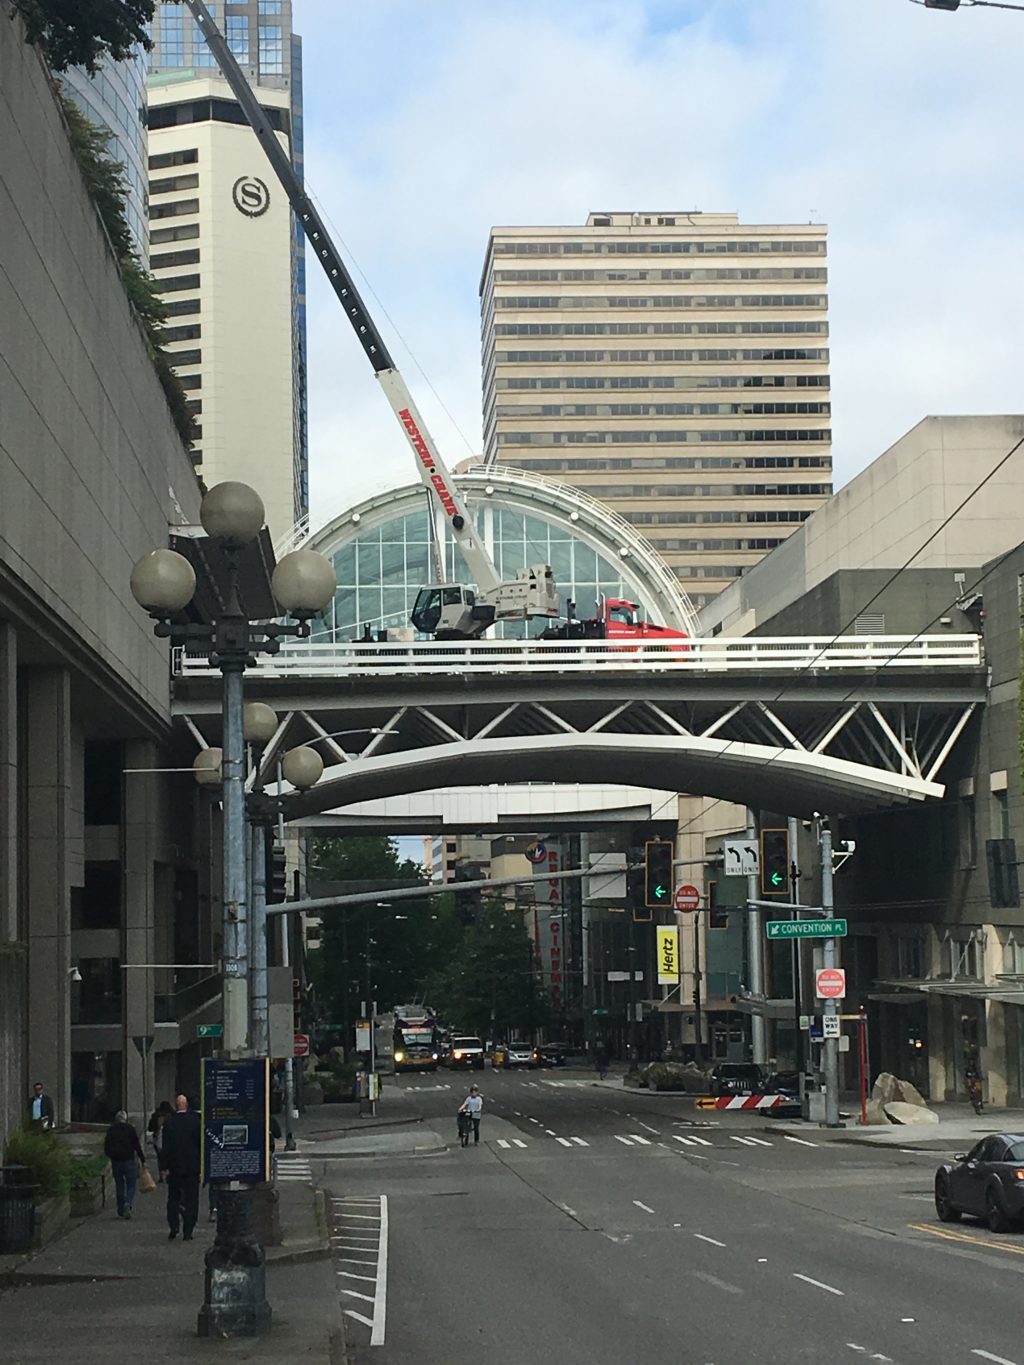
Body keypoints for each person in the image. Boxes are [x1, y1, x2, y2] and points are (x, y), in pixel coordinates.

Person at [160, 1093, 201, 1241]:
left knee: (173, 1197)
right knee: (191, 1200)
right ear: (186, 1105)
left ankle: (174, 1225)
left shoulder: (169, 1123)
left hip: (175, 1167)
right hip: (191, 1167)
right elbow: (200, 1144)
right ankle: (188, 1230)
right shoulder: (196, 1122)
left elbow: (165, 1147)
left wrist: (164, 1166)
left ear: (176, 1106)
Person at [103, 1110, 146, 1219]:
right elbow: (136, 1144)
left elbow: (107, 1145)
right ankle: (128, 1201)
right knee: (131, 1183)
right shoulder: (130, 1129)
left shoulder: (111, 1130)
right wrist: (142, 1158)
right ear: (125, 1119)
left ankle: (121, 1210)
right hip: (128, 1159)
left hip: (116, 1160)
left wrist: (110, 1155)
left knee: (119, 1184)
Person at [147, 1100, 173, 1181]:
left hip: (157, 1139)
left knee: (160, 1158)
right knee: (170, 1157)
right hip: (169, 1139)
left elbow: (150, 1128)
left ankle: (161, 1174)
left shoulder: (156, 1116)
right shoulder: (172, 1116)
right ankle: (169, 1173)